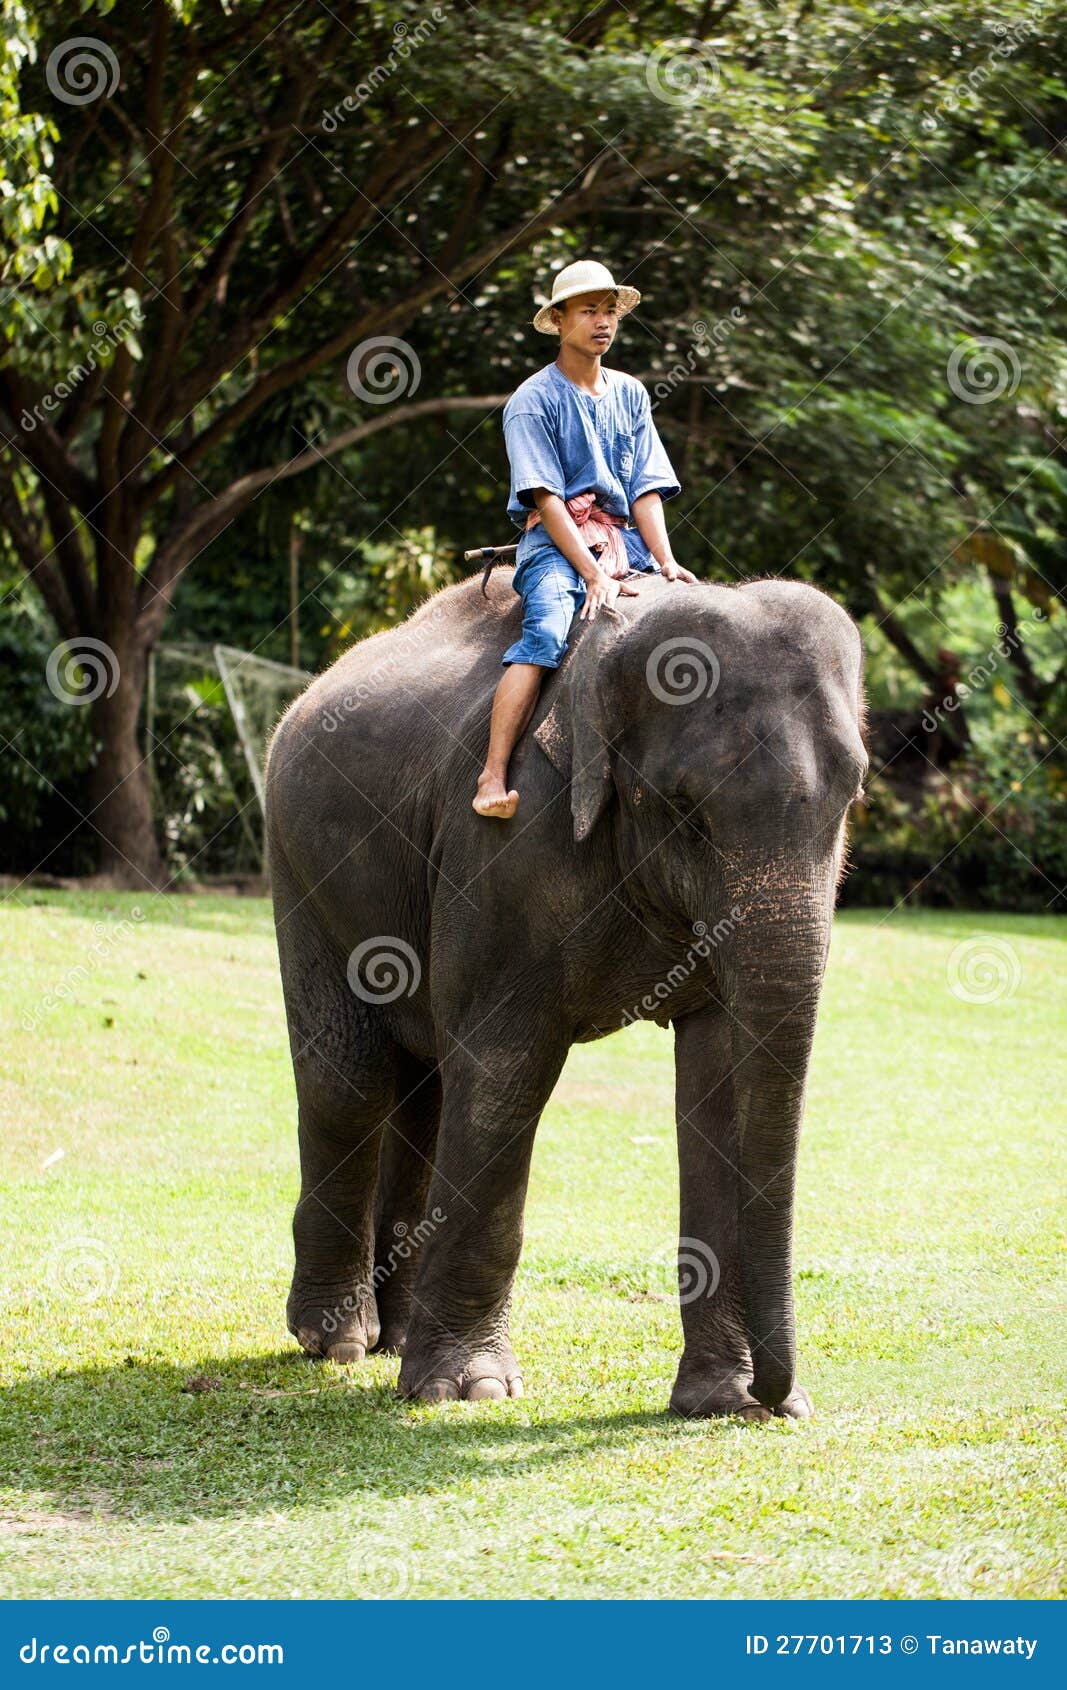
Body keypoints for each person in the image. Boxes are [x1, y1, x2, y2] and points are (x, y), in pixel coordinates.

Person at [473, 258, 695, 820]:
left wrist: (666, 560)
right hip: (557, 546)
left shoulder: (631, 394)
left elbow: (645, 489)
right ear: (560, 319)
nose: (602, 322)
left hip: (627, 544)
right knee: (547, 630)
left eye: (609, 311)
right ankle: (492, 775)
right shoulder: (532, 400)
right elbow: (546, 499)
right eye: (588, 311)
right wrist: (592, 575)